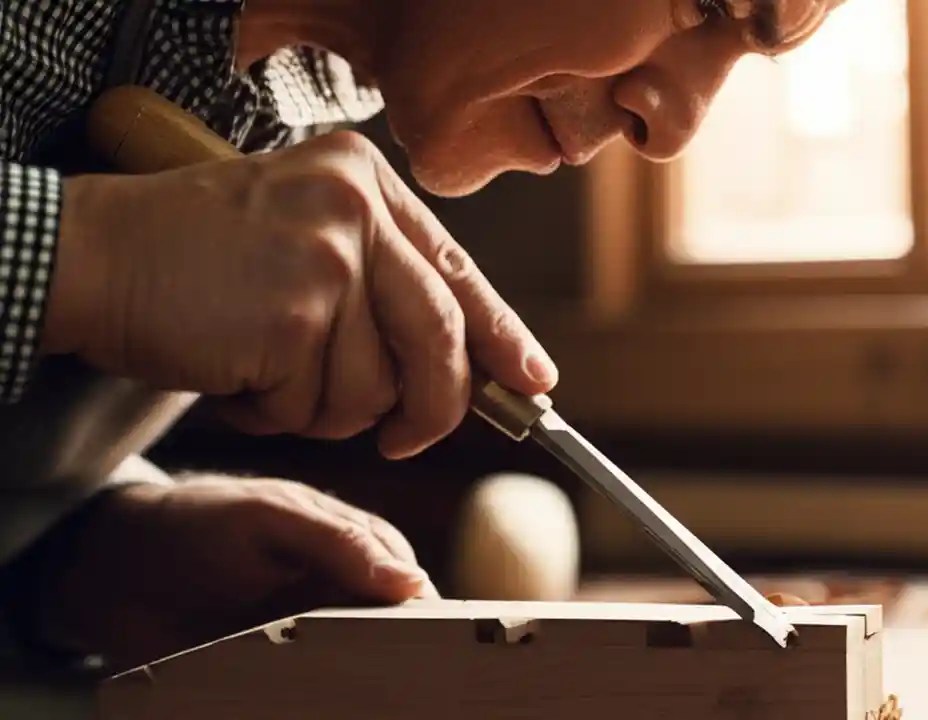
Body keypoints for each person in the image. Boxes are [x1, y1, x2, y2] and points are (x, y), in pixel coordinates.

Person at [0, 0, 840, 672]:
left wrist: (82, 557)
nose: (677, 129)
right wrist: (92, 259)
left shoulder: (286, 89)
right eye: (700, 6)